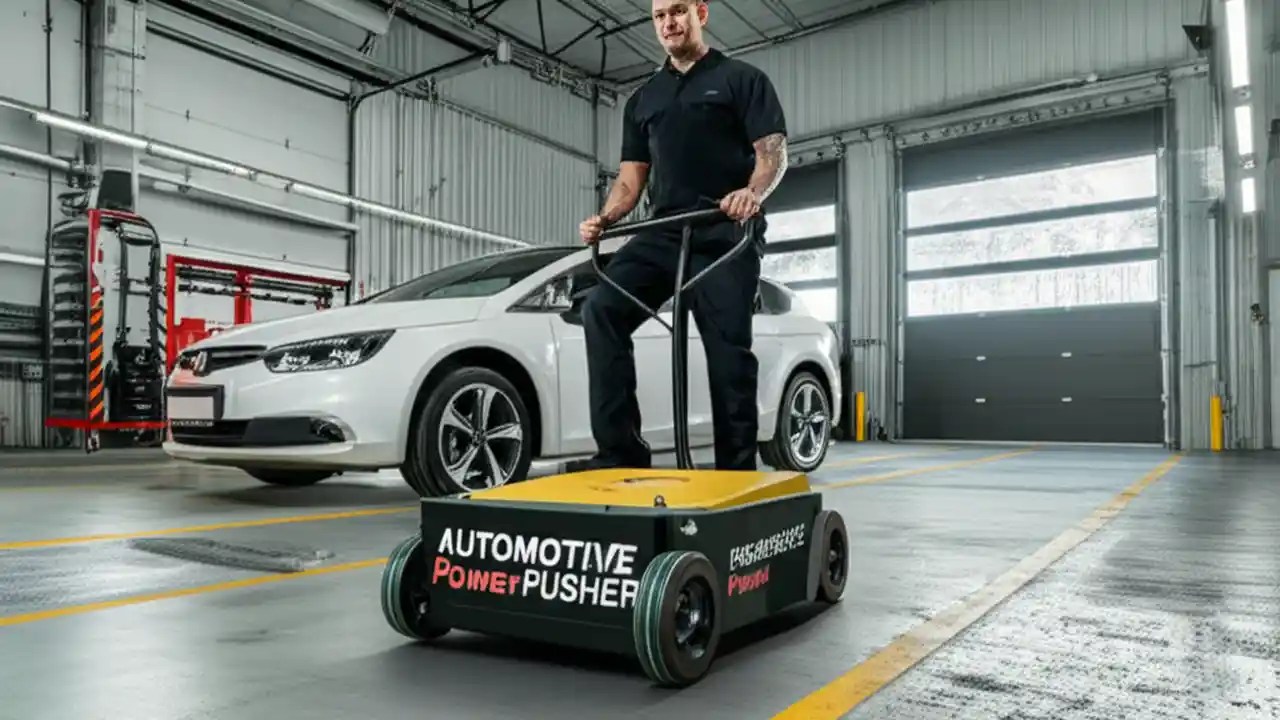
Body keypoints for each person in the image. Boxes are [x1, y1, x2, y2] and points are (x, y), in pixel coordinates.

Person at [569, 0, 789, 473]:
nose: (668, 22)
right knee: (601, 311)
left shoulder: (742, 79)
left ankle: (735, 471)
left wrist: (751, 194)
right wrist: (605, 218)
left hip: (723, 234)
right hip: (662, 233)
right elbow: (631, 181)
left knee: (728, 350)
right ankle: (620, 454)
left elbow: (771, 155)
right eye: (659, 15)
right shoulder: (643, 98)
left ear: (701, 13)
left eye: (677, 11)